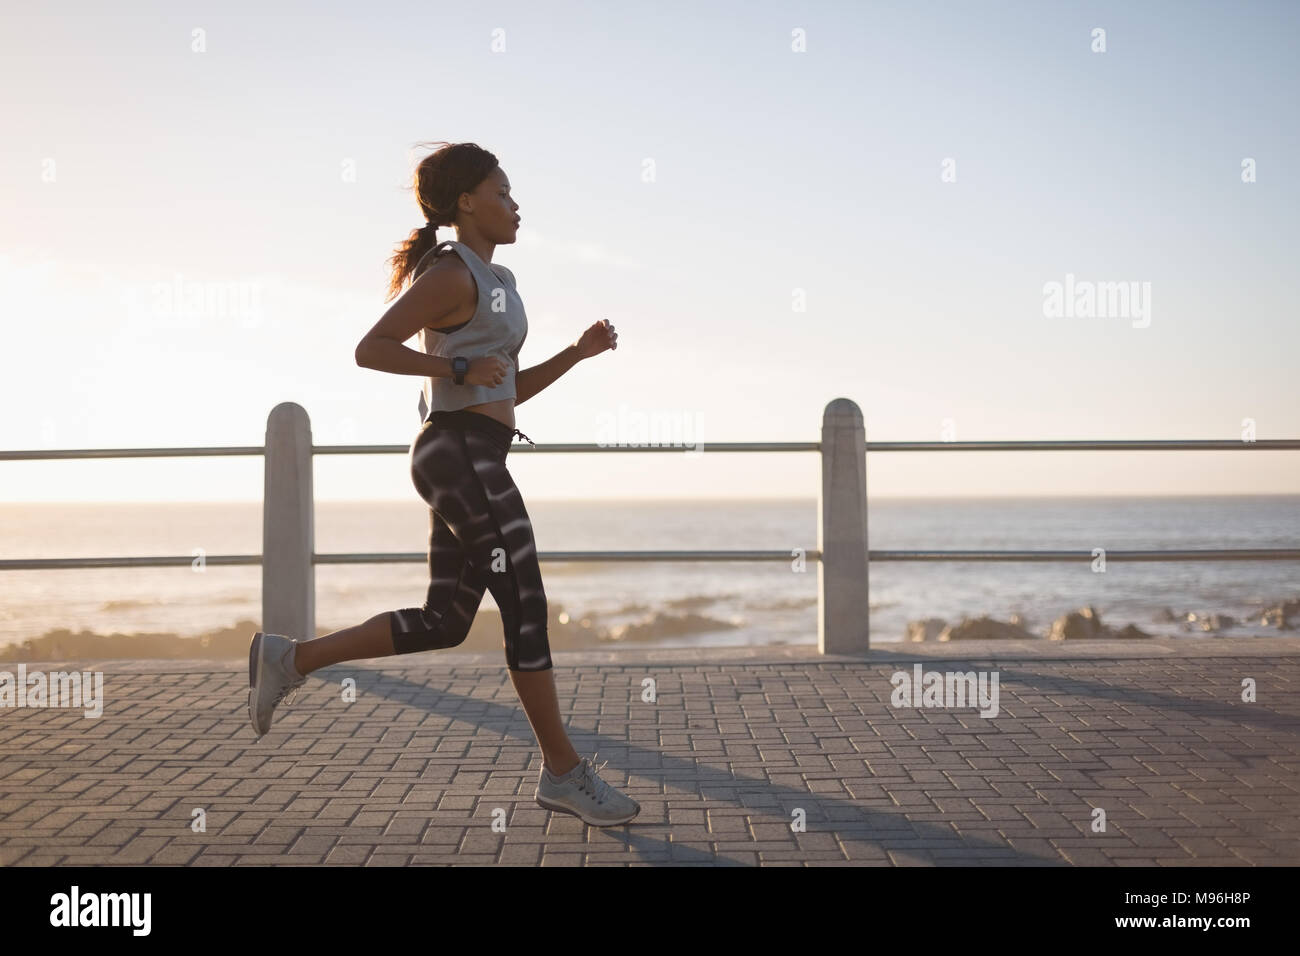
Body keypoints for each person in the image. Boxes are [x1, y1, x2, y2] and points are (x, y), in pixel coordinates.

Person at [247, 141, 639, 827]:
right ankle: (564, 772)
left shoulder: (501, 283)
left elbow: (509, 388)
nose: (516, 205)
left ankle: (291, 657)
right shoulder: (452, 272)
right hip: (457, 455)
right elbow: (370, 349)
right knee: (525, 602)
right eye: (503, 191)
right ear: (467, 202)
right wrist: (455, 373)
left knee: (444, 622)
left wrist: (576, 354)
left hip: (476, 452)